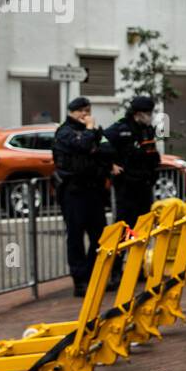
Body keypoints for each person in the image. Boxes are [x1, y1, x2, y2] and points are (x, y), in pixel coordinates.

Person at [52, 96, 117, 296]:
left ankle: (91, 273)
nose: (85, 115)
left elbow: (107, 148)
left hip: (94, 190)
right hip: (73, 191)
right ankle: (79, 280)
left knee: (99, 235)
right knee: (76, 236)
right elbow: (81, 147)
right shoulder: (64, 132)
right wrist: (90, 134)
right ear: (72, 112)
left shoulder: (91, 131)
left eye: (87, 111)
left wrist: (97, 146)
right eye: (81, 111)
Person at [104, 95, 160, 248]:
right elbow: (101, 143)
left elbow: (151, 154)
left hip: (144, 185)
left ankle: (138, 266)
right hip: (126, 187)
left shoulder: (147, 130)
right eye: (148, 113)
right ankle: (116, 265)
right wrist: (110, 165)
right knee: (124, 226)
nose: (150, 116)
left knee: (143, 225)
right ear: (137, 114)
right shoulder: (120, 129)